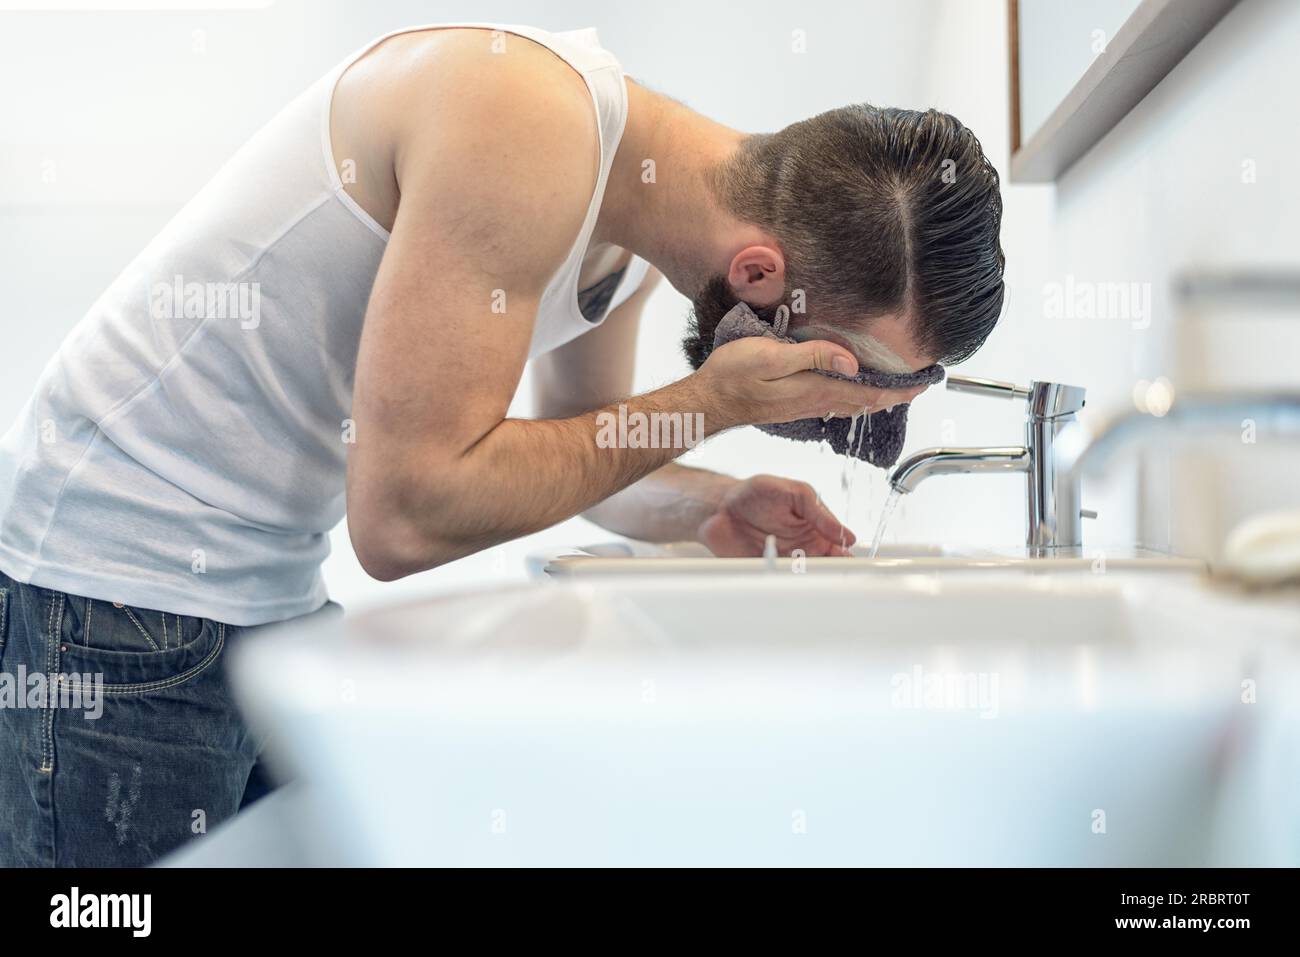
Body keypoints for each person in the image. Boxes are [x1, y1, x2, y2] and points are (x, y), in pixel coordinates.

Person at [0, 22, 1004, 865]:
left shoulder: (634, 211)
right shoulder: (522, 124)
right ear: (757, 273)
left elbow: (578, 465)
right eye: (856, 373)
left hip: (255, 590)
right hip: (112, 589)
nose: (846, 411)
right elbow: (403, 517)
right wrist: (711, 403)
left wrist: (705, 505)